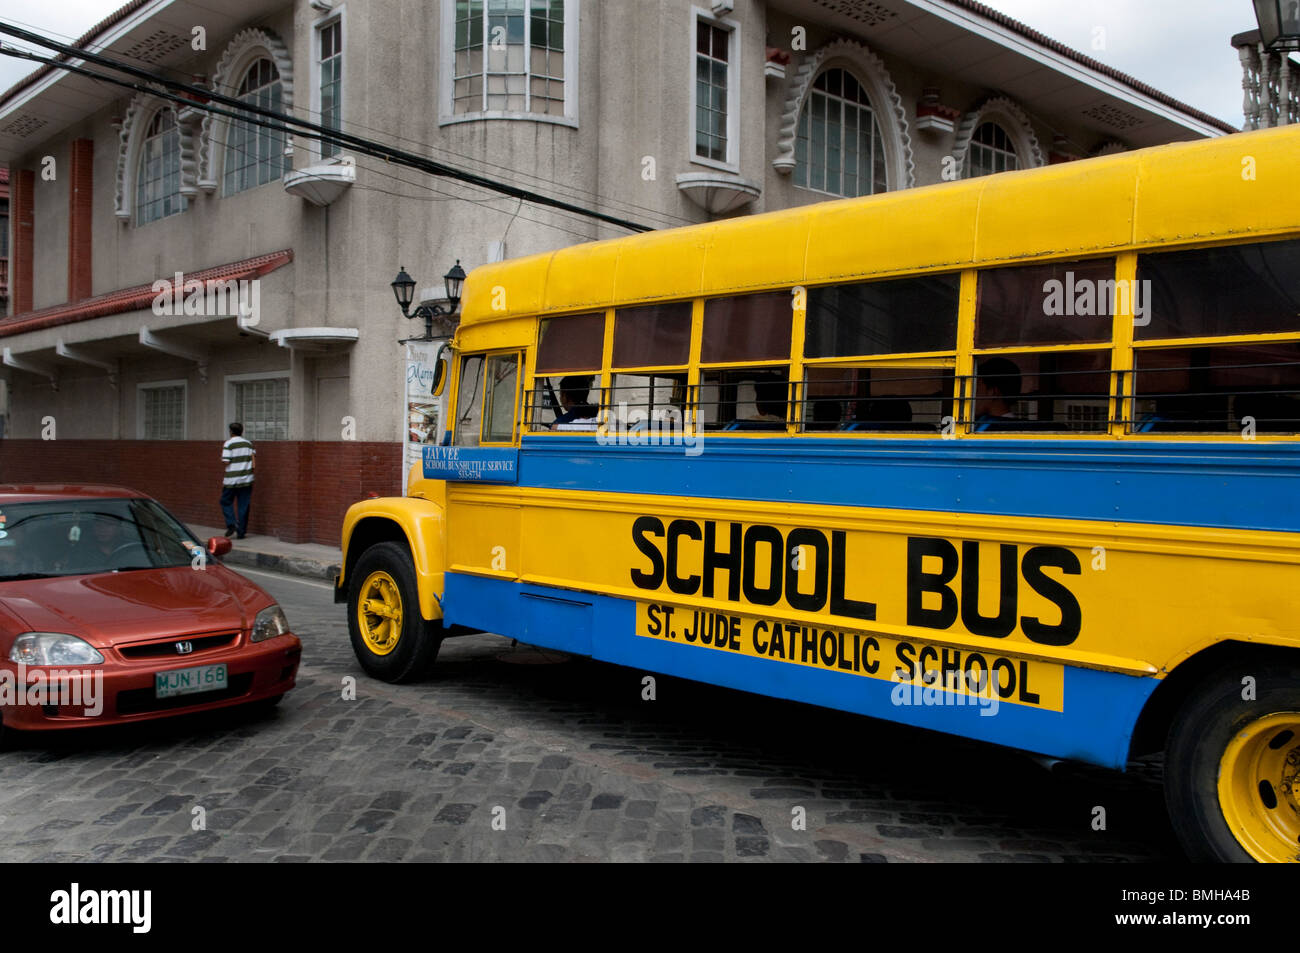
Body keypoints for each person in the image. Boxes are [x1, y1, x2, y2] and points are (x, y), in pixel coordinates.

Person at [220, 422, 255, 539]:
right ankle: (241, 532)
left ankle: (231, 523)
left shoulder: (229, 444)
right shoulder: (249, 444)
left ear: (231, 431)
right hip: (246, 479)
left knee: (225, 501)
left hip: (231, 480)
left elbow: (226, 461)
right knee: (243, 505)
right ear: (242, 431)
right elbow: (253, 461)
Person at [973, 357, 1022, 432]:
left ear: (992, 392)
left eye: (976, 390)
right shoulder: (985, 422)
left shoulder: (1003, 429)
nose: (972, 396)